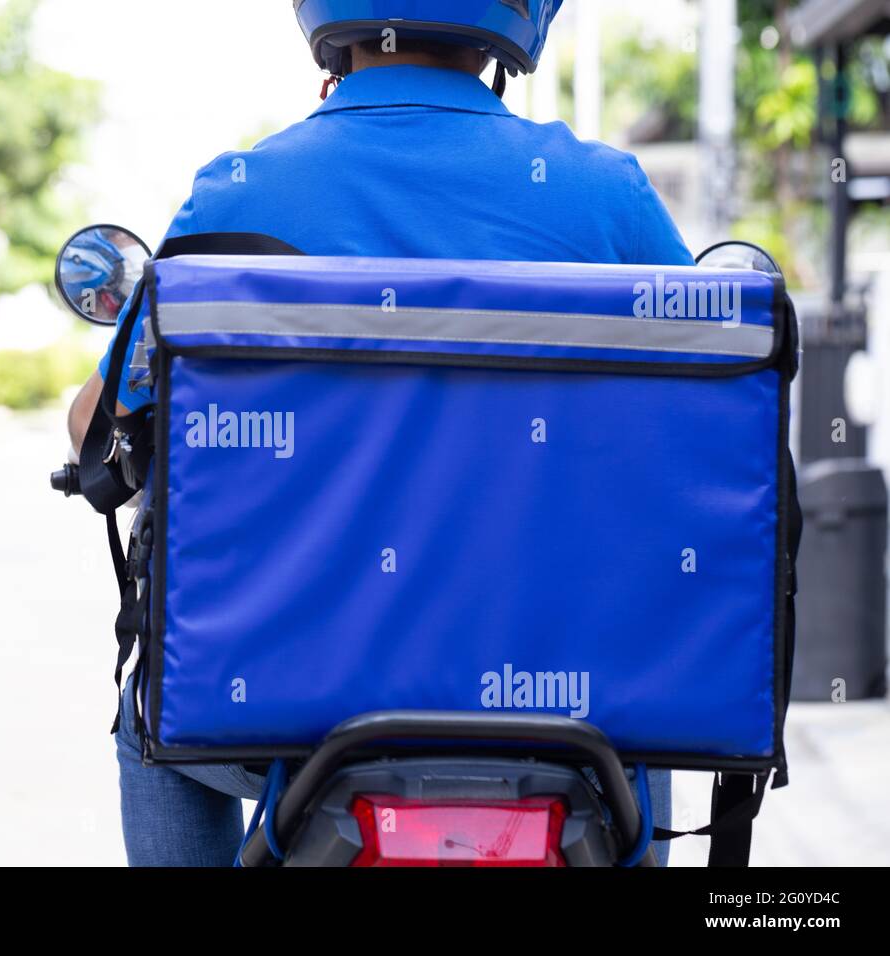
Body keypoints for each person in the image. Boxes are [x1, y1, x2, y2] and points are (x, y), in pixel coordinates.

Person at [67, 0, 688, 867]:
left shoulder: (243, 189)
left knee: (152, 722)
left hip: (288, 697)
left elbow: (100, 427)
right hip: (562, 692)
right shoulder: (603, 195)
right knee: (639, 729)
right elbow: (698, 421)